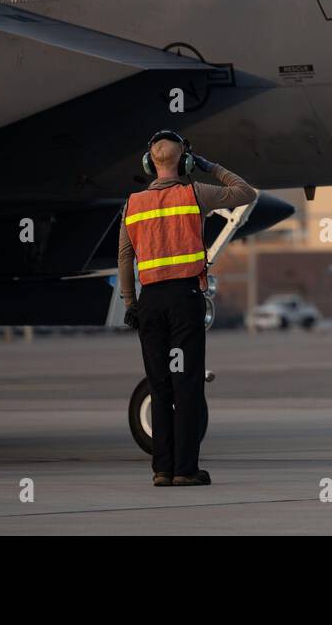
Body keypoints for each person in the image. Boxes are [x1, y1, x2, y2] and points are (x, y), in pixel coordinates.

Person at [118, 130, 257, 486]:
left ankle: (161, 470)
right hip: (184, 301)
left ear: (149, 163)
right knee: (187, 384)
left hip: (150, 303)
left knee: (160, 383)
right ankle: (185, 470)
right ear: (187, 161)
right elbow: (246, 192)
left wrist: (130, 303)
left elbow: (124, 258)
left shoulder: (133, 204)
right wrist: (210, 166)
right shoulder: (195, 192)